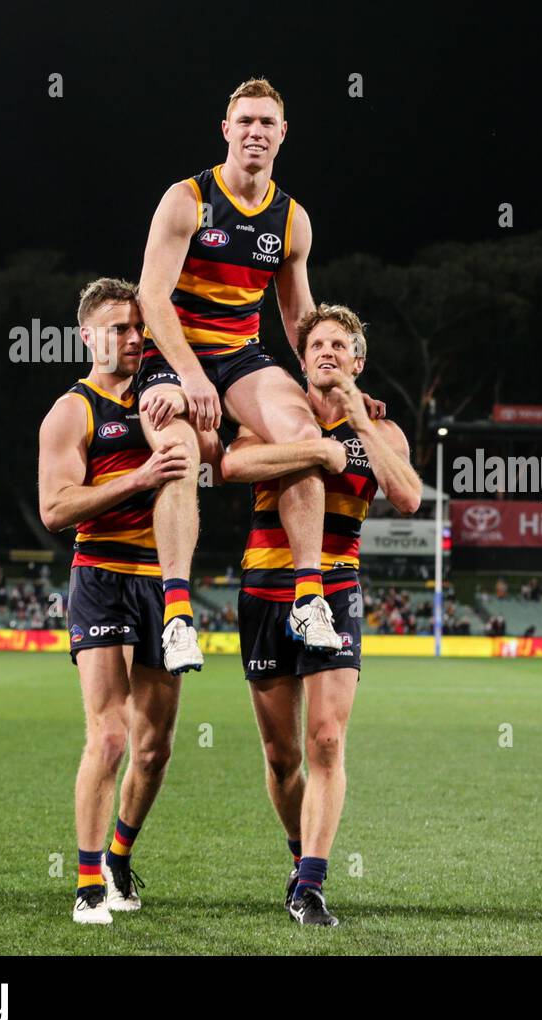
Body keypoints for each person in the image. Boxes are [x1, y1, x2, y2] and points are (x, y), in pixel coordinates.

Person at [135, 77, 344, 675]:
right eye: (245, 121)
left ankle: (308, 600)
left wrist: (327, 385)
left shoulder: (292, 220)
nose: (256, 131)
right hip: (173, 356)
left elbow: (300, 317)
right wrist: (191, 376)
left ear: (283, 134)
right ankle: (179, 618)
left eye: (266, 122)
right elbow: (151, 295)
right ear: (226, 129)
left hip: (241, 357)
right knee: (177, 454)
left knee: (304, 438)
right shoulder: (187, 199)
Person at [222, 305, 421, 926]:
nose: (327, 352)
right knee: (282, 757)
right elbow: (232, 465)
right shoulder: (271, 413)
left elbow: (408, 496)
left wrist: (358, 424)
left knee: (327, 740)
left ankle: (310, 885)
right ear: (302, 360)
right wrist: (314, 450)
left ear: (359, 360)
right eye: (316, 345)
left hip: (335, 588)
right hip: (265, 589)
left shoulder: (382, 431)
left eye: (340, 344)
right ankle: (297, 855)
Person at [38, 278, 221, 925]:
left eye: (140, 327)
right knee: (111, 736)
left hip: (159, 583)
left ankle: (119, 856)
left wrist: (194, 405)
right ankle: (88, 885)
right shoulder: (72, 411)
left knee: (154, 749)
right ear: (87, 335)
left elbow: (214, 455)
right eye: (119, 327)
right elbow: (55, 508)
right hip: (103, 576)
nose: (134, 338)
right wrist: (137, 478)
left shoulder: (162, 394)